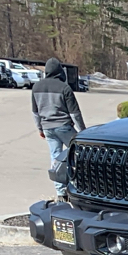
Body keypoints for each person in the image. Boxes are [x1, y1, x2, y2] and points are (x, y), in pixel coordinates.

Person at [32, 58, 85, 197]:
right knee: (78, 153)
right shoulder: (64, 88)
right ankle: (78, 185)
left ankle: (60, 192)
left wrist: (40, 129)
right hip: (64, 126)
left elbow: (35, 112)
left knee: (55, 157)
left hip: (47, 127)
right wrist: (83, 132)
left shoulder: (36, 87)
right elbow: (75, 113)